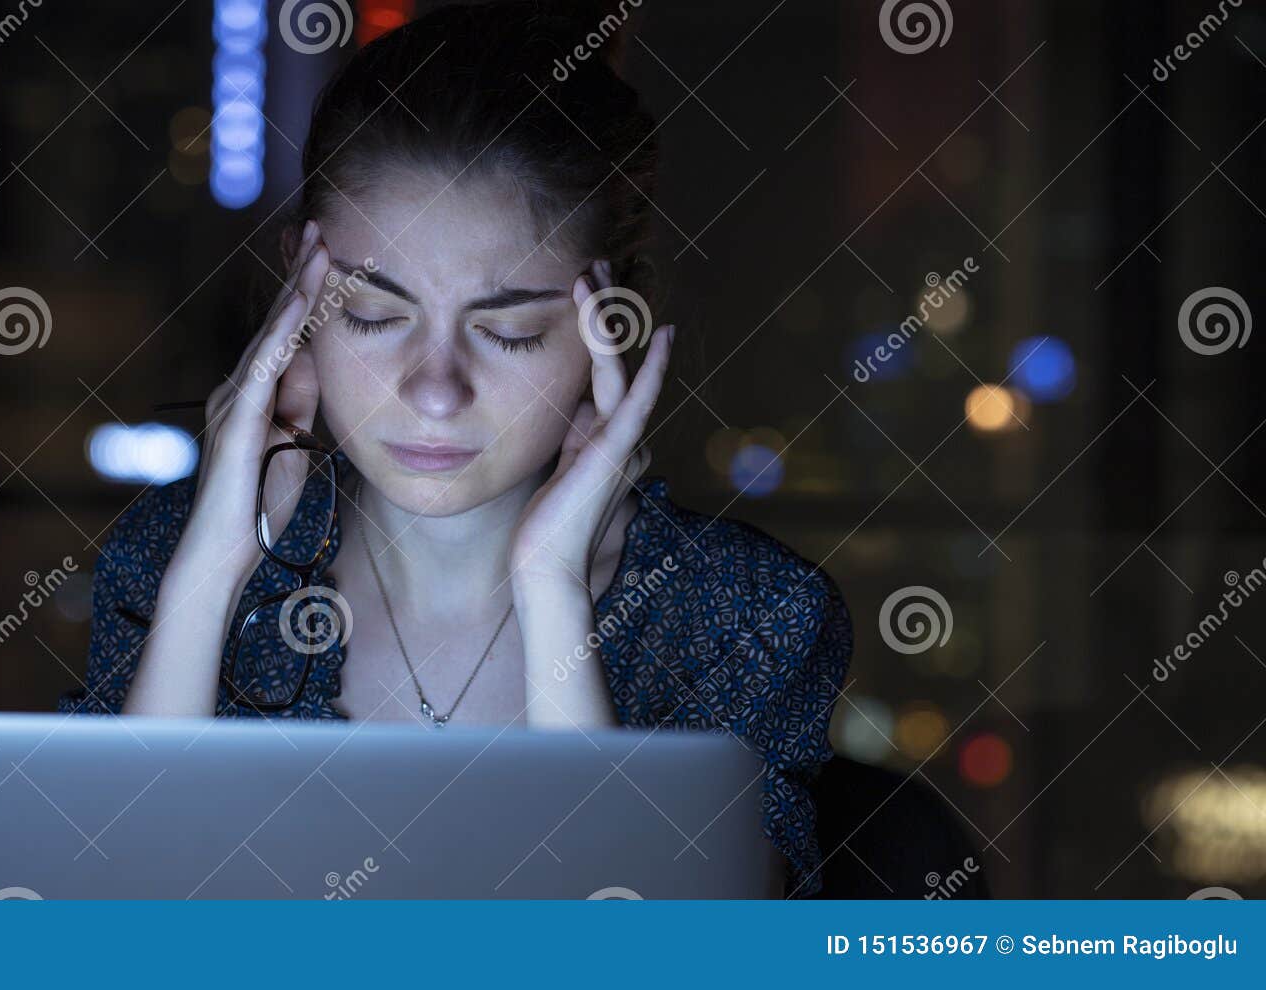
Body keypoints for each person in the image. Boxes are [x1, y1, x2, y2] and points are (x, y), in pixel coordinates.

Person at [59, 0, 852, 897]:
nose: (435, 390)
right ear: (300, 298)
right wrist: (208, 580)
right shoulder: (171, 556)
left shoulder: (744, 615)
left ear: (614, 321)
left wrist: (552, 590)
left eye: (509, 330)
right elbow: (99, 928)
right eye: (373, 314)